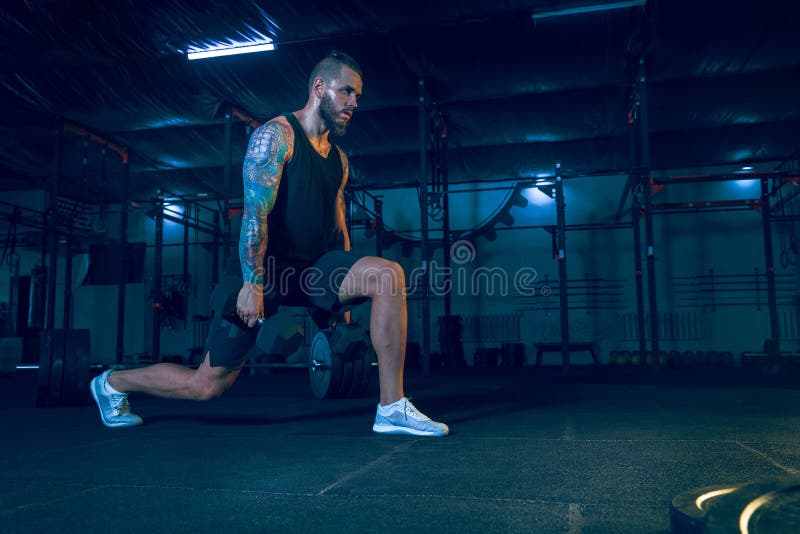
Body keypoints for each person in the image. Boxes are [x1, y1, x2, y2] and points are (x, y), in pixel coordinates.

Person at [89, 51, 449, 437]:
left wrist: (341, 302)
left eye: (358, 96)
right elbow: (254, 215)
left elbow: (338, 227)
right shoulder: (275, 137)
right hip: (264, 268)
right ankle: (112, 384)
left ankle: (392, 407)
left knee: (388, 275)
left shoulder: (339, 161)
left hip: (310, 269)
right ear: (319, 87)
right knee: (206, 385)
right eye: (347, 91)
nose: (354, 103)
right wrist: (251, 283)